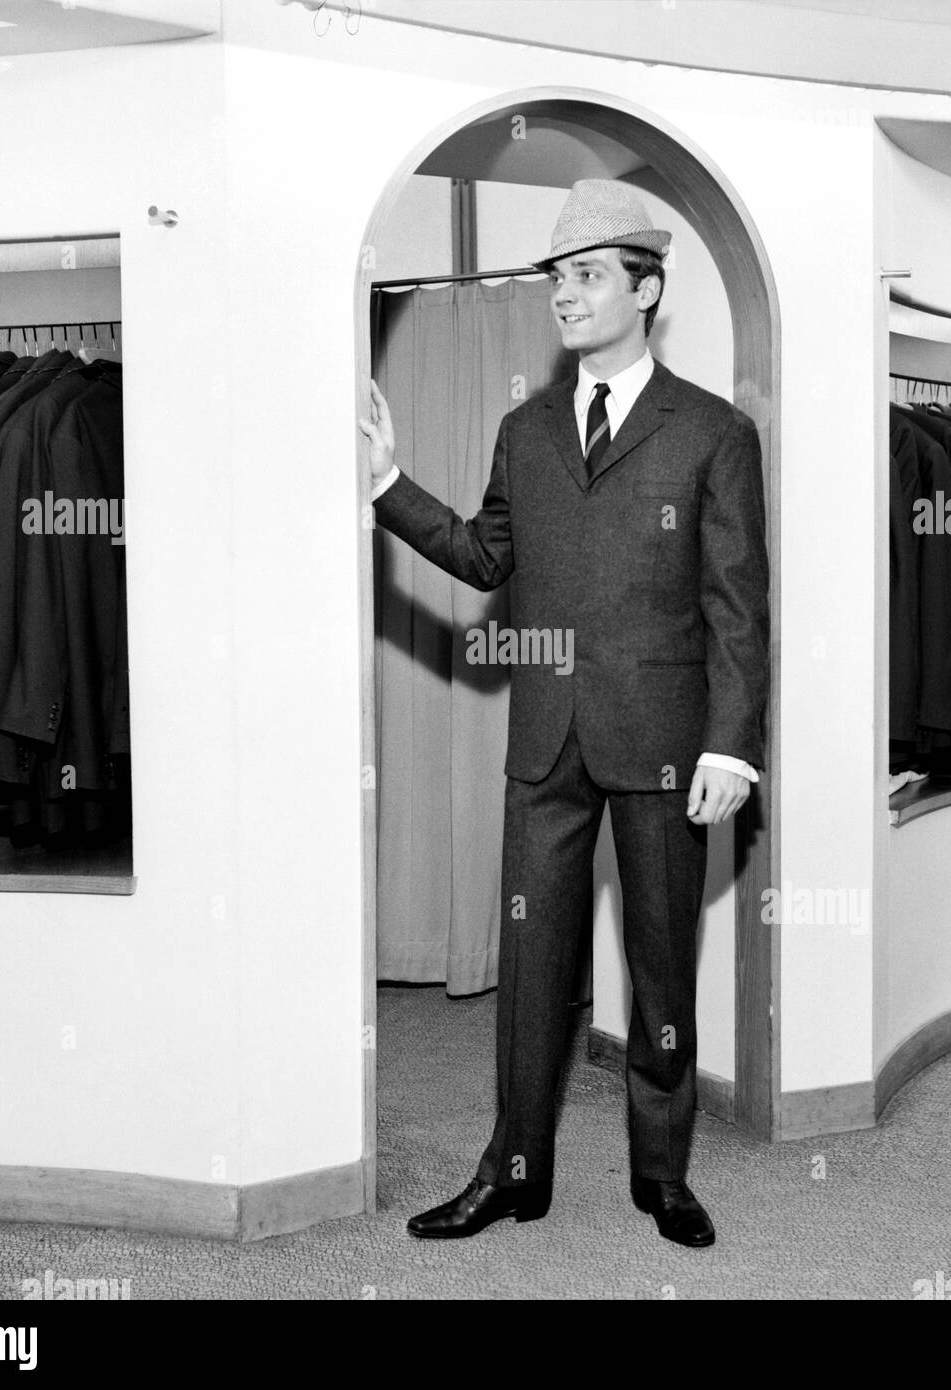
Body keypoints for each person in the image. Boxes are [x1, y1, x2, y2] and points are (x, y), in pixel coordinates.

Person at [359, 179, 769, 1247]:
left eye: (585, 276)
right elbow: (485, 554)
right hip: (543, 742)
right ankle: (516, 1169)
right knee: (530, 964)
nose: (564, 295)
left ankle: (662, 1175)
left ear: (645, 288)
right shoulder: (525, 428)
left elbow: (737, 604)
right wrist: (388, 483)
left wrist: (733, 743)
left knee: (658, 962)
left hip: (668, 748)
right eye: (555, 277)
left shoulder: (714, 434)